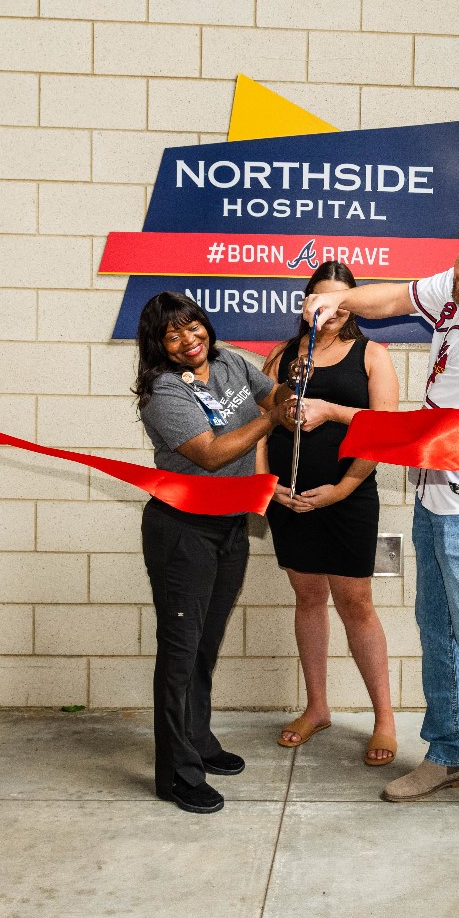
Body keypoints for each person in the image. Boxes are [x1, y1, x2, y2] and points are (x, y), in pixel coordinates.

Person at [297, 210, 459, 834]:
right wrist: (336, 298)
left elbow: (423, 433)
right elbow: (392, 295)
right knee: (435, 625)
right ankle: (447, 754)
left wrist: (333, 411)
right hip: (436, 494)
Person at [134, 291, 281, 814]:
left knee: (204, 644)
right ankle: (175, 773)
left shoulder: (231, 361)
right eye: (172, 335)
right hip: (182, 532)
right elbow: (213, 454)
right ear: (159, 346)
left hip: (229, 527)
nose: (188, 340)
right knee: (179, 651)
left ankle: (198, 740)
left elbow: (276, 393)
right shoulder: (161, 392)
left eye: (193, 326)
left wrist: (290, 392)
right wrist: (272, 419)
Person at [257, 262, 402, 766]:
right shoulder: (282, 356)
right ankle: (317, 707)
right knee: (307, 594)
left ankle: (383, 717)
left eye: (343, 301)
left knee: (355, 601)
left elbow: (383, 432)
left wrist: (343, 488)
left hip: (348, 496)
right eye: (321, 299)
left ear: (354, 305)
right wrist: (265, 484)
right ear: (305, 303)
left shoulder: (372, 355)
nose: (332, 310)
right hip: (289, 499)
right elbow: (261, 422)